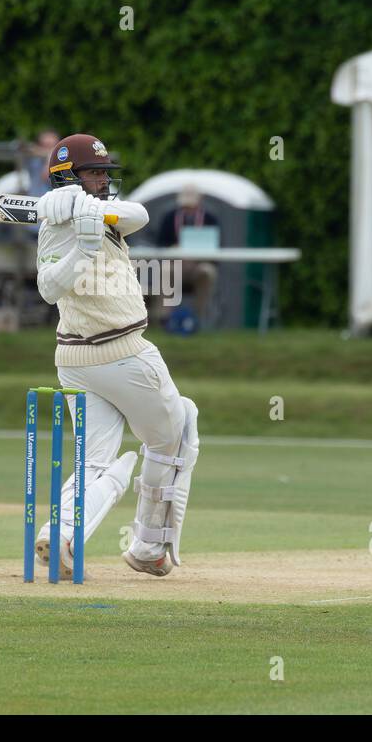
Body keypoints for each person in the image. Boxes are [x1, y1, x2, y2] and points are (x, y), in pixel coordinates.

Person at [31, 133, 198, 577]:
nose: (104, 180)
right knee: (176, 435)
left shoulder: (105, 213)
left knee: (95, 462)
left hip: (75, 363)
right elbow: (49, 289)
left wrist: (87, 207)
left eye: (106, 172)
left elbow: (139, 213)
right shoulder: (53, 226)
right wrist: (82, 250)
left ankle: (60, 533)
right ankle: (147, 548)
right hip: (123, 356)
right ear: (68, 177)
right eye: (93, 173)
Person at [154, 184, 220, 325]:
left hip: (199, 265)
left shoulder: (210, 219)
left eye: (191, 206)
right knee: (166, 269)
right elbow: (160, 244)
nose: (188, 209)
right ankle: (164, 317)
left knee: (207, 272)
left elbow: (217, 249)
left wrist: (199, 254)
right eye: (186, 206)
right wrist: (173, 249)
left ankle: (198, 317)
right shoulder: (170, 217)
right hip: (176, 263)